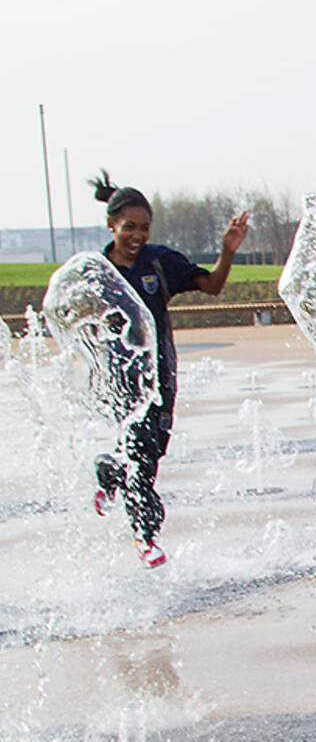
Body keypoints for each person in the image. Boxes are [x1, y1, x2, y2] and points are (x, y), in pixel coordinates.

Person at [90, 172, 249, 567]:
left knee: (151, 449)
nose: (137, 235)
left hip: (161, 375)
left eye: (144, 227)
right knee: (141, 453)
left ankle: (110, 472)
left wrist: (227, 251)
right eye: (129, 227)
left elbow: (212, 285)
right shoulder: (96, 271)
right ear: (111, 225)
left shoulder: (159, 261)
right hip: (122, 378)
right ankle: (146, 535)